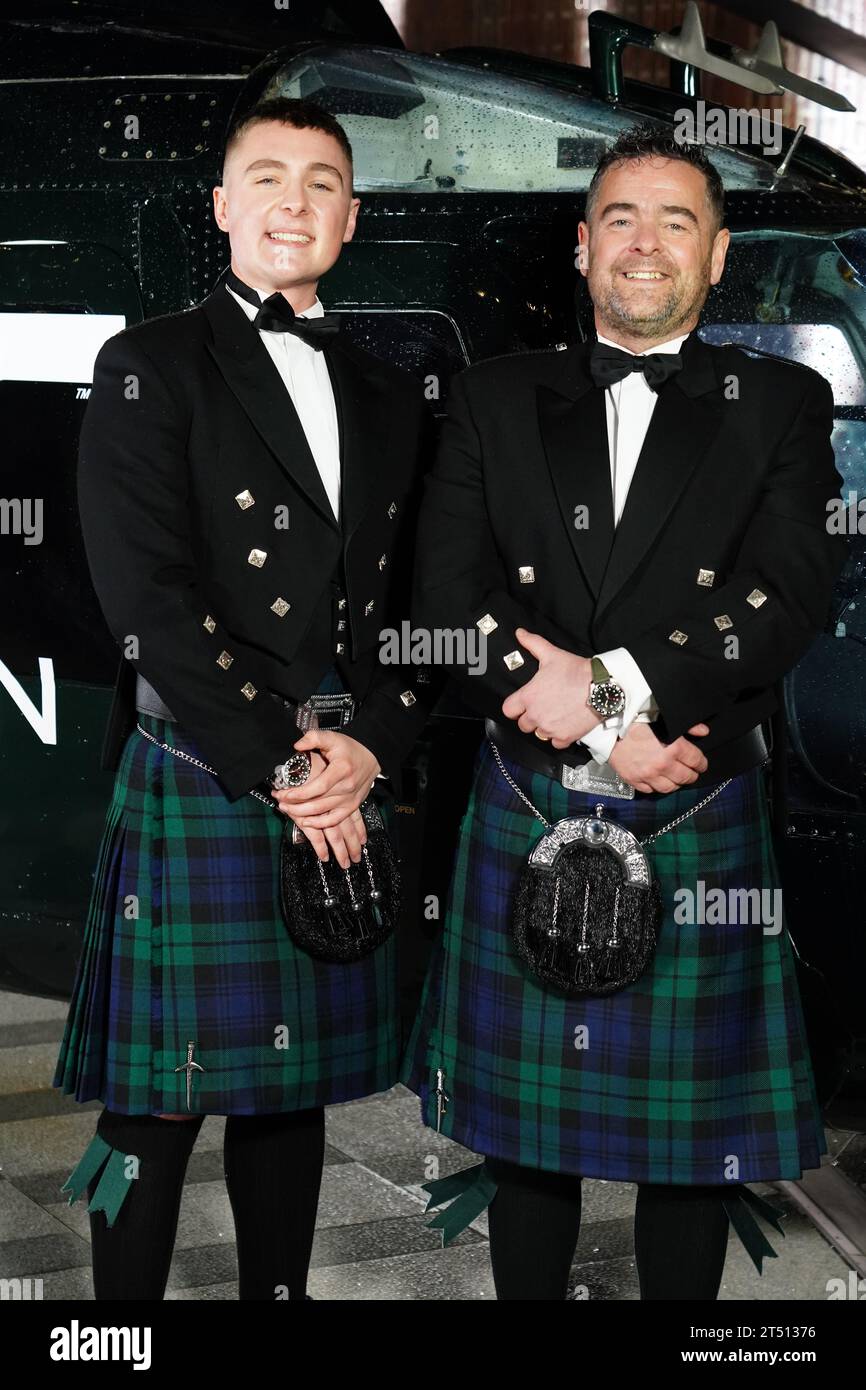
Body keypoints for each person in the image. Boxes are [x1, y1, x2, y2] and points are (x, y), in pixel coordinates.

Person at [399, 124, 846, 1300]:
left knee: (691, 1149)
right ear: (583, 242)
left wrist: (600, 694)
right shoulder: (493, 399)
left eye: (675, 222)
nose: (644, 245)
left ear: (716, 256)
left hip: (694, 793)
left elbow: (791, 589)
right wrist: (606, 731)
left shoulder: (782, 402)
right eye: (620, 219)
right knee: (525, 1139)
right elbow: (444, 595)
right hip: (524, 785)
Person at [54, 96, 434, 1300]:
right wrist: (285, 763)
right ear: (221, 208)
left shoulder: (385, 388)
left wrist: (368, 746)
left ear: (350, 217)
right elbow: (145, 595)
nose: (293, 202)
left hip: (342, 766)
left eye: (321, 182)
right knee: (146, 1108)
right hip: (212, 762)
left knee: (288, 1091)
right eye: (265, 178)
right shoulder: (149, 364)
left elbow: (423, 590)